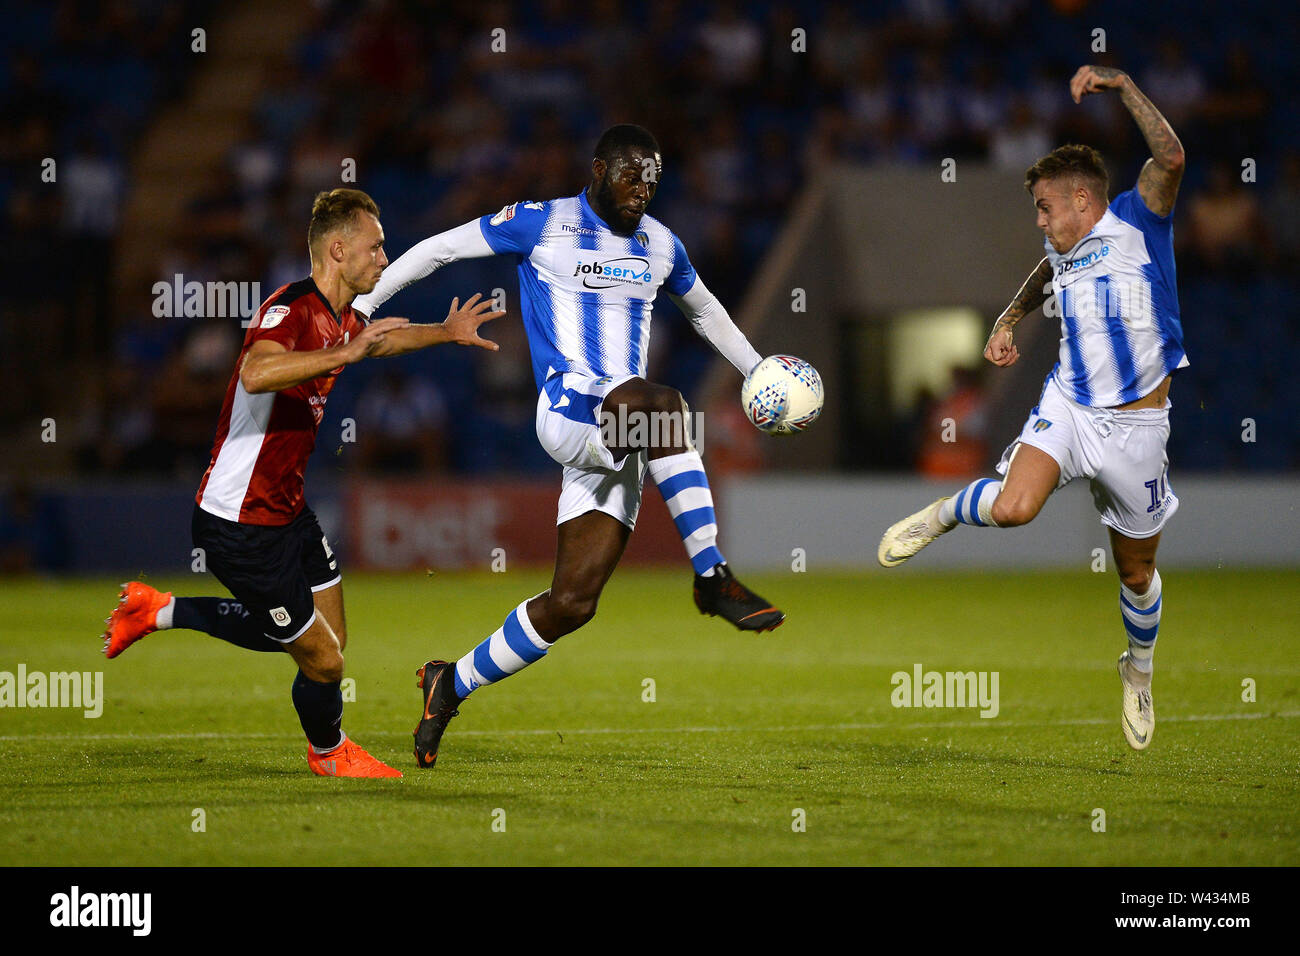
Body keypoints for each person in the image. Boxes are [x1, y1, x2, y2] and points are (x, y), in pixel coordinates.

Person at [350, 124, 784, 768]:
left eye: (652, 179)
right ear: (598, 168)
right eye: (631, 174)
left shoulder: (661, 244)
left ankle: (450, 682)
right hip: (570, 406)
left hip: (623, 435)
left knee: (573, 603)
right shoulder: (542, 223)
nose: (642, 189)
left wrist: (754, 369)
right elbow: (441, 249)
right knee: (667, 405)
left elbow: (705, 309)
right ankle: (713, 576)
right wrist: (362, 306)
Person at [101, 188, 502, 777]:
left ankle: (158, 610)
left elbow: (379, 341)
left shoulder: (342, 316)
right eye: (376, 247)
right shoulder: (290, 309)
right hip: (238, 522)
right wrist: (346, 352)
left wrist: (444, 331)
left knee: (328, 640)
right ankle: (328, 753)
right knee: (322, 663)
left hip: (286, 509)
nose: (384, 259)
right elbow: (258, 371)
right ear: (338, 250)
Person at [877, 66, 1187, 752]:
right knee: (1015, 508)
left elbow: (1171, 157)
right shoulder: (1062, 246)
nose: (1041, 223)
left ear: (1083, 198)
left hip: (1138, 425)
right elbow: (1046, 269)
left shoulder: (1141, 218)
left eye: (1047, 208)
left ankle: (1137, 672)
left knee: (1136, 572)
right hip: (1070, 405)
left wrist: (1126, 86)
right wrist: (1008, 321)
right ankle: (938, 515)